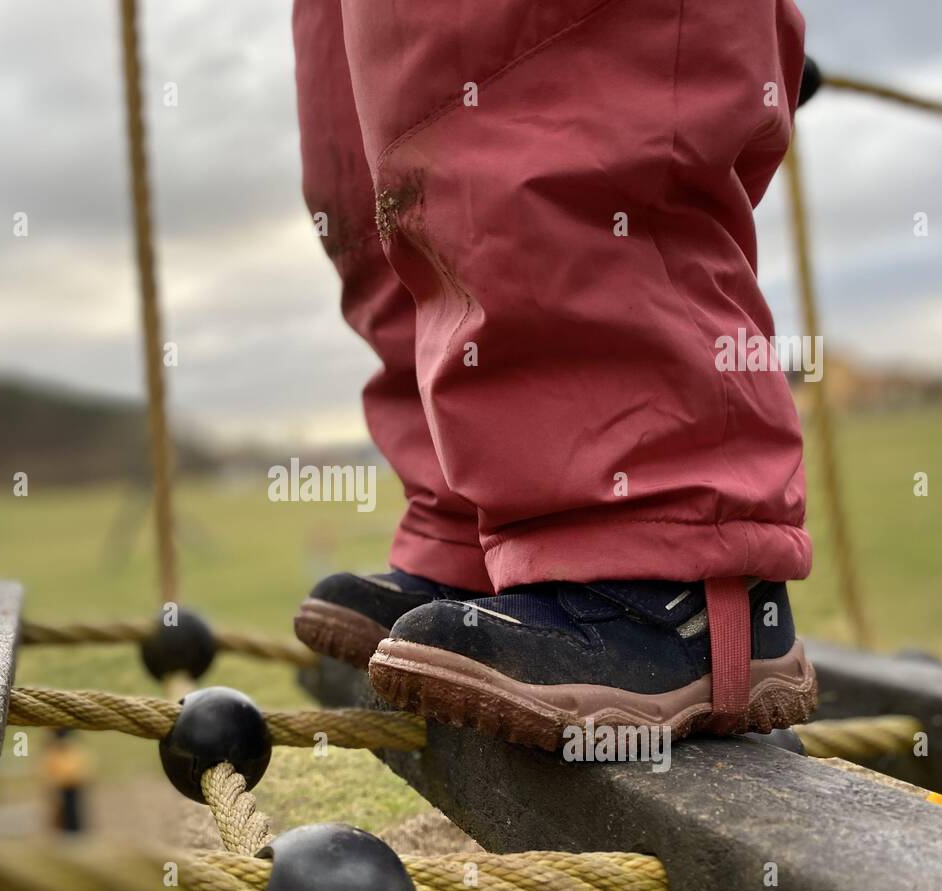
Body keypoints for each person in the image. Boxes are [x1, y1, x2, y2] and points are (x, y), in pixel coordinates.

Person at [290, 0, 816, 748]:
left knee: (521, 49)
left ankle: (662, 547)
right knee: (370, 123)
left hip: (672, 546)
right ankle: (488, 536)